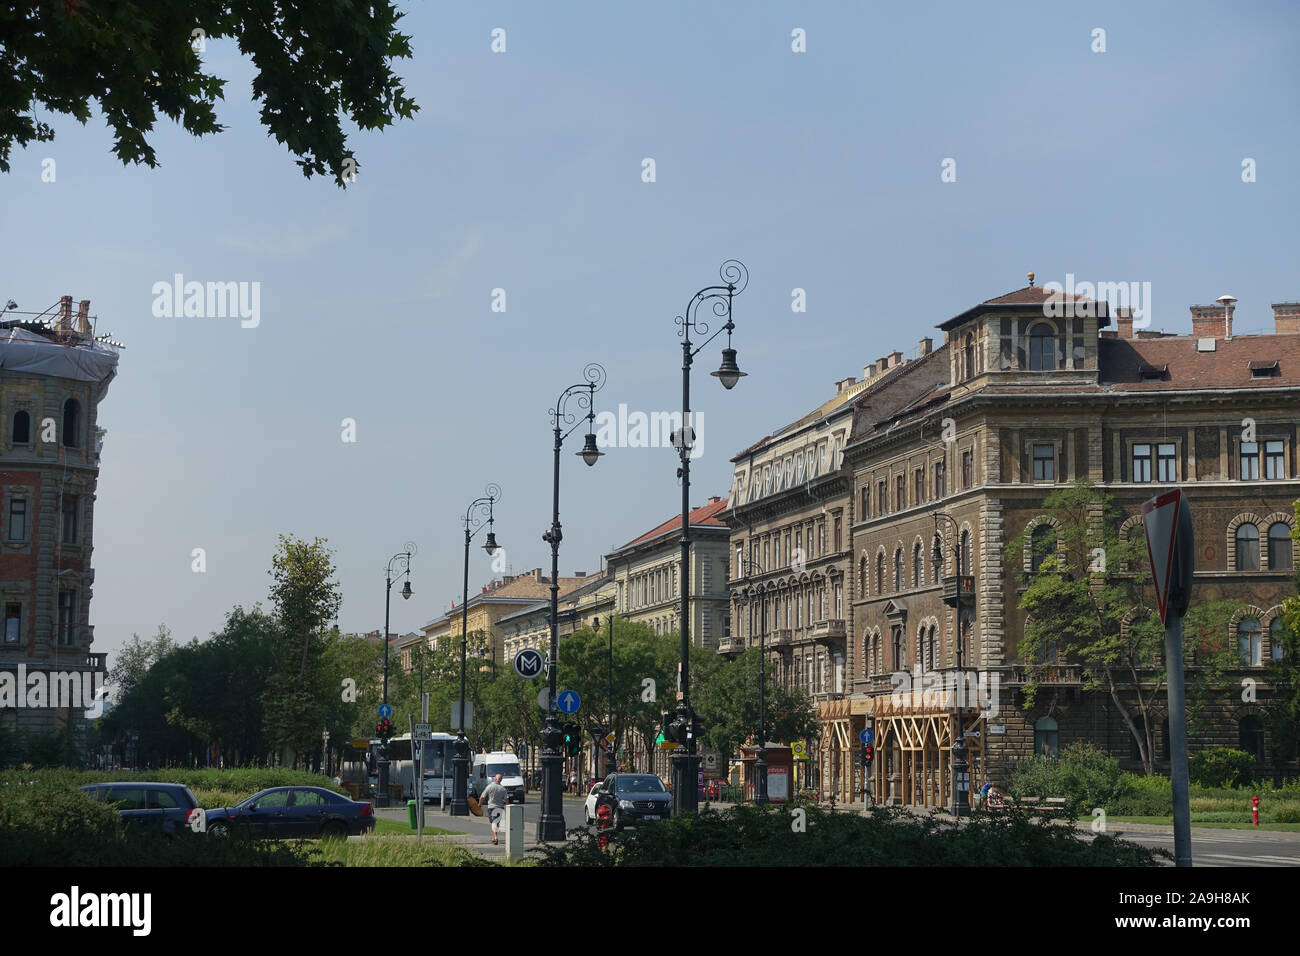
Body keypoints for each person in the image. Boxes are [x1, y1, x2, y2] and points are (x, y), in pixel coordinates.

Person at [480, 773, 508, 845]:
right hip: (500, 807)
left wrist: (479, 804)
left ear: (494, 779)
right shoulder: (503, 789)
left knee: (494, 822)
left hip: (491, 807)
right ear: (501, 780)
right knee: (497, 822)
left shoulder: (489, 787)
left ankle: (495, 837)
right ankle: (494, 836)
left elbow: (482, 797)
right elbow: (506, 800)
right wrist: (507, 807)